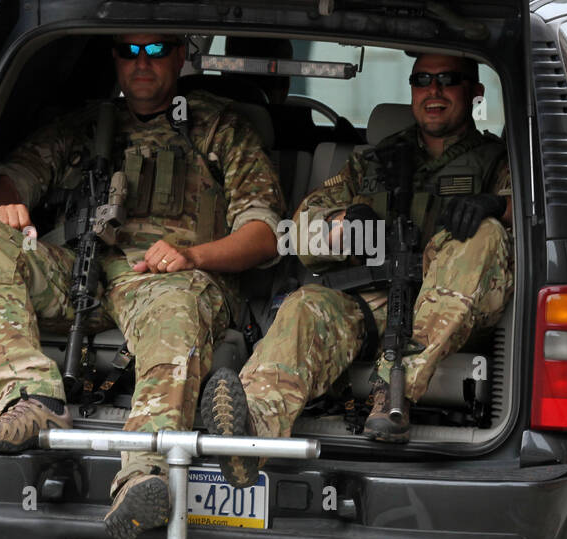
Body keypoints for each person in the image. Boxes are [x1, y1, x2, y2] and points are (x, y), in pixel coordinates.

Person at [0, 32, 285, 539]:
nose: (142, 63)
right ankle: (33, 399)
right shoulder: (89, 126)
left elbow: (264, 236)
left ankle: (141, 473)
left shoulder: (218, 129)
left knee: (175, 308)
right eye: (130, 51)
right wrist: (6, 203)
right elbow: (13, 175)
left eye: (156, 51)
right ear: (115, 59)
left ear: (179, 56)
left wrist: (192, 254)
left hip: (174, 281)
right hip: (86, 275)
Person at [198, 52, 514, 485]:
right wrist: (344, 223)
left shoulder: (499, 159)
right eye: (423, 80)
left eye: (448, 80)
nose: (434, 91)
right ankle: (250, 431)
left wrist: (496, 204)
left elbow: (538, 212)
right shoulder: (374, 163)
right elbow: (300, 229)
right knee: (306, 304)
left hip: (454, 309)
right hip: (373, 298)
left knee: (484, 234)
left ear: (474, 92)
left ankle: (394, 388)